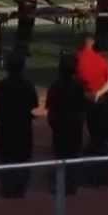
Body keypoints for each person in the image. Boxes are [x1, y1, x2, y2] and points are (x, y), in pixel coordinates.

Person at [0, 52, 38, 198]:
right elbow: (33, 104)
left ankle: (8, 188)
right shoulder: (28, 85)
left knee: (6, 157)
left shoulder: (1, 85)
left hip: (5, 128)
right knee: (23, 157)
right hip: (23, 128)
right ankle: (19, 188)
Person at [46, 53, 87, 194]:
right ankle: (71, 184)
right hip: (74, 125)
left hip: (61, 125)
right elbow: (83, 107)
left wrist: (53, 123)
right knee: (73, 154)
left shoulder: (55, 86)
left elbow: (50, 108)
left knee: (60, 155)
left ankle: (62, 184)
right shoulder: (79, 86)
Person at [76, 33, 108, 153]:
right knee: (98, 124)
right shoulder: (102, 58)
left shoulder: (76, 58)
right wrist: (99, 93)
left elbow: (73, 81)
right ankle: (98, 146)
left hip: (83, 98)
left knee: (88, 123)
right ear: (92, 43)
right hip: (99, 98)